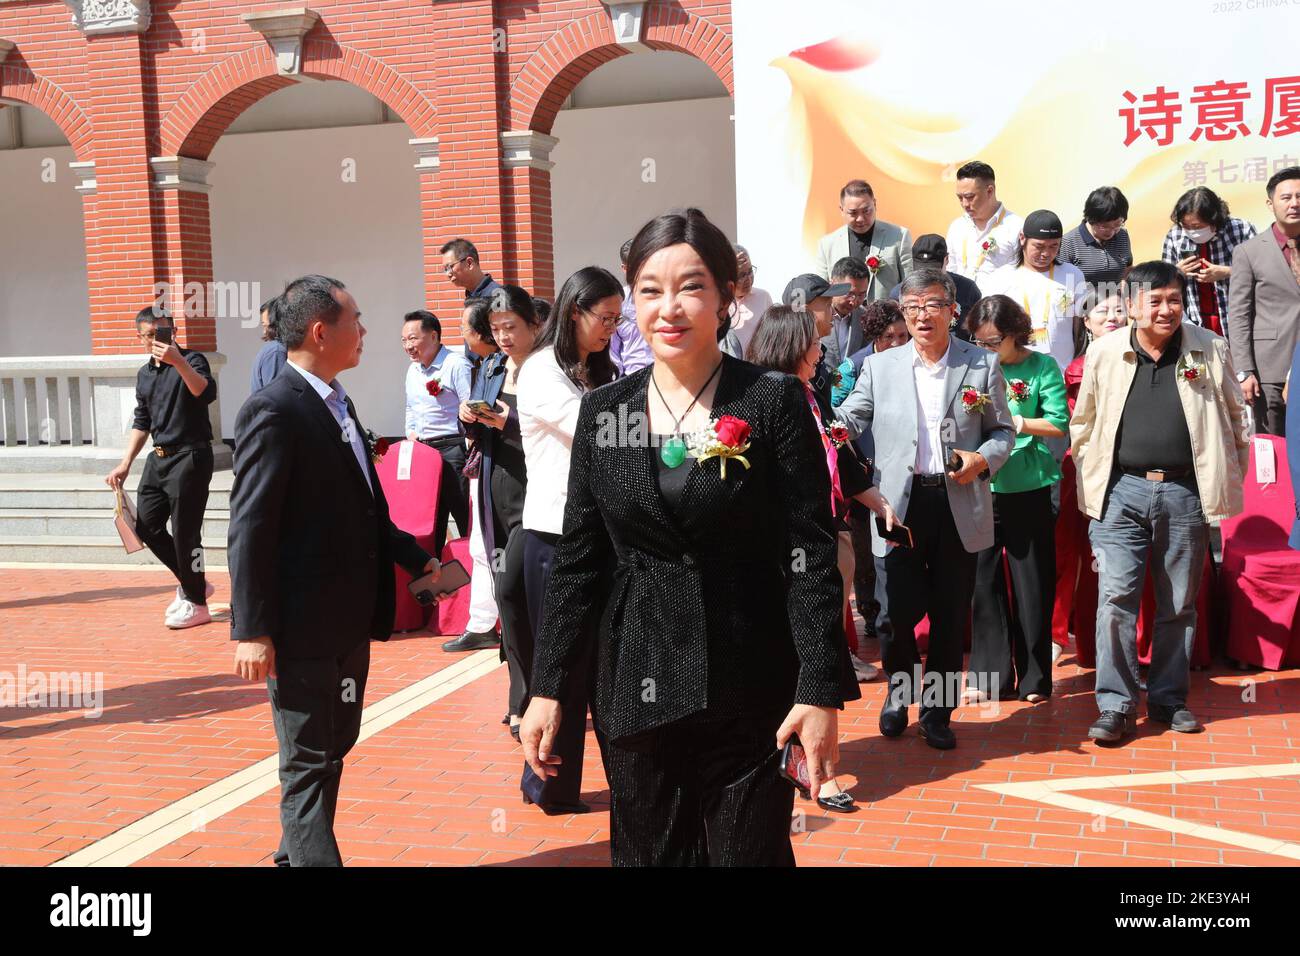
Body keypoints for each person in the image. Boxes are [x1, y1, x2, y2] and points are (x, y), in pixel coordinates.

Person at [521, 208, 857, 866]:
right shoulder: (604, 411)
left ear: (728, 295)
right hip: (636, 684)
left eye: (691, 285)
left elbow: (811, 557)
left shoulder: (768, 400)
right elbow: (579, 564)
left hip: (747, 686)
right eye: (650, 289)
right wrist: (548, 685)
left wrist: (819, 691)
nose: (668, 307)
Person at [228, 275, 439, 866]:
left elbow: (366, 507)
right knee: (306, 759)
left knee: (331, 747)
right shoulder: (274, 410)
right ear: (322, 332)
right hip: (300, 628)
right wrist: (251, 628)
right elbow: (250, 527)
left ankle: (291, 853)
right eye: (357, 321)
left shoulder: (336, 400)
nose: (367, 332)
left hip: (347, 622)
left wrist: (418, 557)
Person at [834, 268, 1015, 749]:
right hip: (899, 504)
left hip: (957, 499)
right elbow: (852, 415)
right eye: (911, 306)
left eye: (931, 305)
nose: (921, 316)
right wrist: (824, 426)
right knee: (893, 614)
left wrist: (981, 459)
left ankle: (938, 712)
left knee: (950, 613)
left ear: (952, 310)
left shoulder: (981, 364)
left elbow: (1004, 431)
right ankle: (900, 695)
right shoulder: (881, 366)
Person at [1071, 261, 1251, 744]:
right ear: (1131, 306)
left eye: (1175, 299)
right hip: (1120, 493)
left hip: (1184, 493)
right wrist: (1095, 483)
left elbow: (1237, 420)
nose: (1167, 310)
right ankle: (1115, 705)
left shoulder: (1209, 347)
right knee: (1115, 600)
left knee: (1177, 604)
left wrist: (1221, 477)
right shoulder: (1105, 352)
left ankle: (1169, 700)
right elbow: (1083, 423)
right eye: (1155, 301)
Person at [747, 303, 895, 810]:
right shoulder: (757, 400)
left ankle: (805, 758)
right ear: (791, 345)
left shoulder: (813, 396)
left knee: (816, 658)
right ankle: (821, 772)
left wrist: (876, 501)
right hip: (781, 558)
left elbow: (845, 459)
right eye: (812, 341)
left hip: (825, 541)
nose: (820, 349)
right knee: (808, 661)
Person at [516, 266, 622, 814]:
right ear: (574, 310)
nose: (610, 329)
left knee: (603, 669)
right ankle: (550, 785)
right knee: (559, 673)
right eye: (603, 318)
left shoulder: (594, 369)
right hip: (554, 539)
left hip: (597, 539)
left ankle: (603, 778)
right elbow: (597, 428)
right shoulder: (541, 371)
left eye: (616, 320)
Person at [964, 296, 1068, 704]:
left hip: (1029, 485)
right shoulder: (971, 365)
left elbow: (1059, 422)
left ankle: (1035, 678)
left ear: (1014, 334)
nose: (987, 349)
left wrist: (1017, 422)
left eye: (994, 342)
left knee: (1032, 584)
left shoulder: (1041, 366)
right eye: (980, 341)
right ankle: (991, 678)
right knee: (982, 583)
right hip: (981, 486)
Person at [461, 285, 541, 742]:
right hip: (493, 486)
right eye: (496, 330)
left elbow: (556, 428)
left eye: (511, 327)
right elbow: (472, 429)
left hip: (535, 490)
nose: (504, 337)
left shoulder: (549, 369)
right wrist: (468, 416)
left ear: (534, 325)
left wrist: (505, 421)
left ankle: (543, 697)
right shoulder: (490, 366)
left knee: (522, 593)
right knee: (506, 597)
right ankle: (520, 699)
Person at [104, 307, 217, 629]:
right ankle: (193, 581)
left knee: (186, 533)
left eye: (164, 333)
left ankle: (197, 603)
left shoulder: (193, 360)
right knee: (146, 526)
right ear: (140, 338)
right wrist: (126, 463)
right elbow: (142, 421)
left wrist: (177, 360)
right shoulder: (144, 374)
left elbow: (204, 392)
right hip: (159, 458)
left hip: (191, 457)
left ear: (175, 332)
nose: (158, 340)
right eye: (151, 335)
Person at [1052, 291, 1126, 666]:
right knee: (1067, 550)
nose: (1112, 316)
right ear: (1086, 321)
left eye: (1120, 310)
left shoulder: (1138, 361)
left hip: (1125, 468)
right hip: (1079, 465)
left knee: (1110, 556)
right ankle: (1055, 632)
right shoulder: (1077, 367)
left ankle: (1099, 643)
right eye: (1103, 310)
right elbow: (1080, 424)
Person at [837, 300, 909, 633]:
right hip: (861, 470)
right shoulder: (854, 367)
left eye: (902, 336)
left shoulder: (912, 363)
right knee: (865, 546)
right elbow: (837, 417)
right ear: (875, 337)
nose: (897, 343)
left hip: (899, 467)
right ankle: (869, 609)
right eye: (890, 336)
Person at [442, 298, 502, 652]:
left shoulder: (508, 366)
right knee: (480, 545)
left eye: (465, 329)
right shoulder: (486, 364)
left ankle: (500, 621)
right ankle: (481, 622)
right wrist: (467, 415)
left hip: (504, 466)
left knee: (498, 547)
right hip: (481, 462)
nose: (463, 336)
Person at [1227, 166, 1300, 436]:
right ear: (1271, 203)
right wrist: (1244, 371)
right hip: (1271, 367)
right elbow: (1239, 315)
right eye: (1286, 197)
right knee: (1274, 446)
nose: (1294, 203)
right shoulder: (1249, 252)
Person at [980, 209, 1087, 372]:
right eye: (1039, 246)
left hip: (1062, 372)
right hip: (1014, 374)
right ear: (1022, 238)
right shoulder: (999, 278)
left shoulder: (1072, 274)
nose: (1046, 253)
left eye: (1054, 246)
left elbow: (1081, 326)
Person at [402, 309, 472, 554]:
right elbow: (411, 408)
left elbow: (470, 405)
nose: (408, 346)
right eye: (404, 340)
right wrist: (410, 433)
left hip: (452, 449)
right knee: (431, 516)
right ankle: (435, 574)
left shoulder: (455, 364)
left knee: (464, 513)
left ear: (433, 336)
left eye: (413, 338)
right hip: (423, 451)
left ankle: (474, 569)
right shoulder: (413, 370)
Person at [1160, 186, 1256, 334]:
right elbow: (1162, 283)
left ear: (1214, 219)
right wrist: (1177, 273)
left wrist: (1228, 272)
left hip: (1239, 318)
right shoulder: (1175, 235)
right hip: (1195, 319)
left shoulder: (1241, 229)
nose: (1191, 231)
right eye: (1185, 225)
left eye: (1196, 226)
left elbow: (1263, 271)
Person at [814, 179, 913, 296]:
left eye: (866, 211)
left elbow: (910, 286)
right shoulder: (827, 244)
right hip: (846, 313)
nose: (860, 218)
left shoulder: (899, 236)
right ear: (842, 210)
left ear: (875, 205)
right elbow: (822, 291)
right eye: (853, 213)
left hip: (885, 313)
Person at [946, 161, 1023, 283]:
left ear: (990, 191)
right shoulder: (957, 227)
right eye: (960, 198)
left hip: (998, 301)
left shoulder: (1016, 227)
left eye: (970, 197)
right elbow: (950, 269)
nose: (964, 204)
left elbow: (1022, 276)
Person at [782, 272, 850, 404]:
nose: (834, 313)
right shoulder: (789, 368)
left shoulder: (816, 355)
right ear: (806, 312)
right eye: (828, 306)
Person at [889, 234, 981, 325]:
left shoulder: (968, 289)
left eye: (933, 271)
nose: (927, 276)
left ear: (947, 259)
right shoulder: (899, 293)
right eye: (921, 270)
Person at [1059, 186, 1133, 292]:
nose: (1111, 232)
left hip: (1116, 304)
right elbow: (1061, 284)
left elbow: (1128, 268)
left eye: (1117, 225)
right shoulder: (1068, 242)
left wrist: (1125, 282)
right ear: (1091, 219)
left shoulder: (1122, 235)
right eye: (1104, 227)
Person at [613, 238, 653, 375]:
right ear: (625, 269)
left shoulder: (664, 297)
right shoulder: (618, 301)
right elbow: (613, 350)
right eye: (635, 267)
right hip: (631, 377)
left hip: (665, 377)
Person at [823, 257, 871, 372]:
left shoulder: (864, 318)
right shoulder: (814, 314)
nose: (854, 301)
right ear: (832, 284)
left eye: (861, 295)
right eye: (849, 294)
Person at [730, 243, 773, 353]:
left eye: (750, 271)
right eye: (742, 275)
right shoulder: (719, 303)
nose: (748, 278)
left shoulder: (763, 297)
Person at [441, 237, 503, 302]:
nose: (448, 274)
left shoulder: (497, 296)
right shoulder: (471, 295)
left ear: (469, 263)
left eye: (450, 266)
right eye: (446, 269)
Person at [250, 296, 287, 392]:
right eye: (265, 326)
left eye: (266, 326)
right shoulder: (276, 351)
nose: (264, 332)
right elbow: (276, 397)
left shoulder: (277, 349)